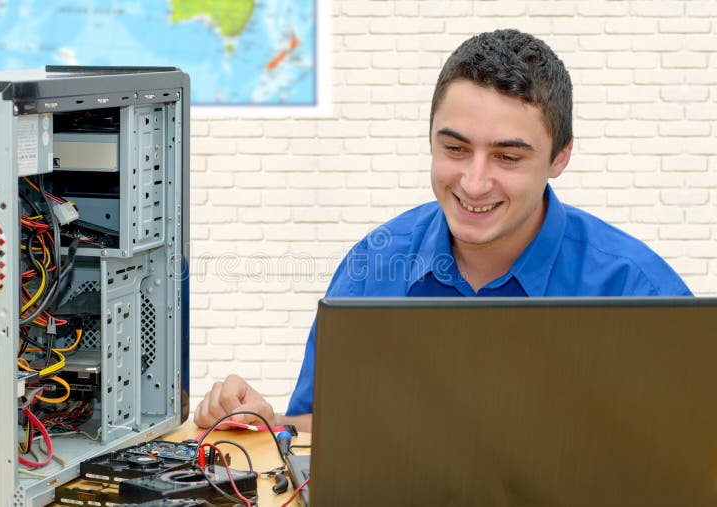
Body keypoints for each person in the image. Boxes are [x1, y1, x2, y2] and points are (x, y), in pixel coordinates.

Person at [193, 29, 692, 432]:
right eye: (454, 149)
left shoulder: (638, 290)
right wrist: (267, 422)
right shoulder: (371, 266)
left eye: (508, 157)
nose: (473, 183)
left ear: (560, 157)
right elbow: (322, 426)